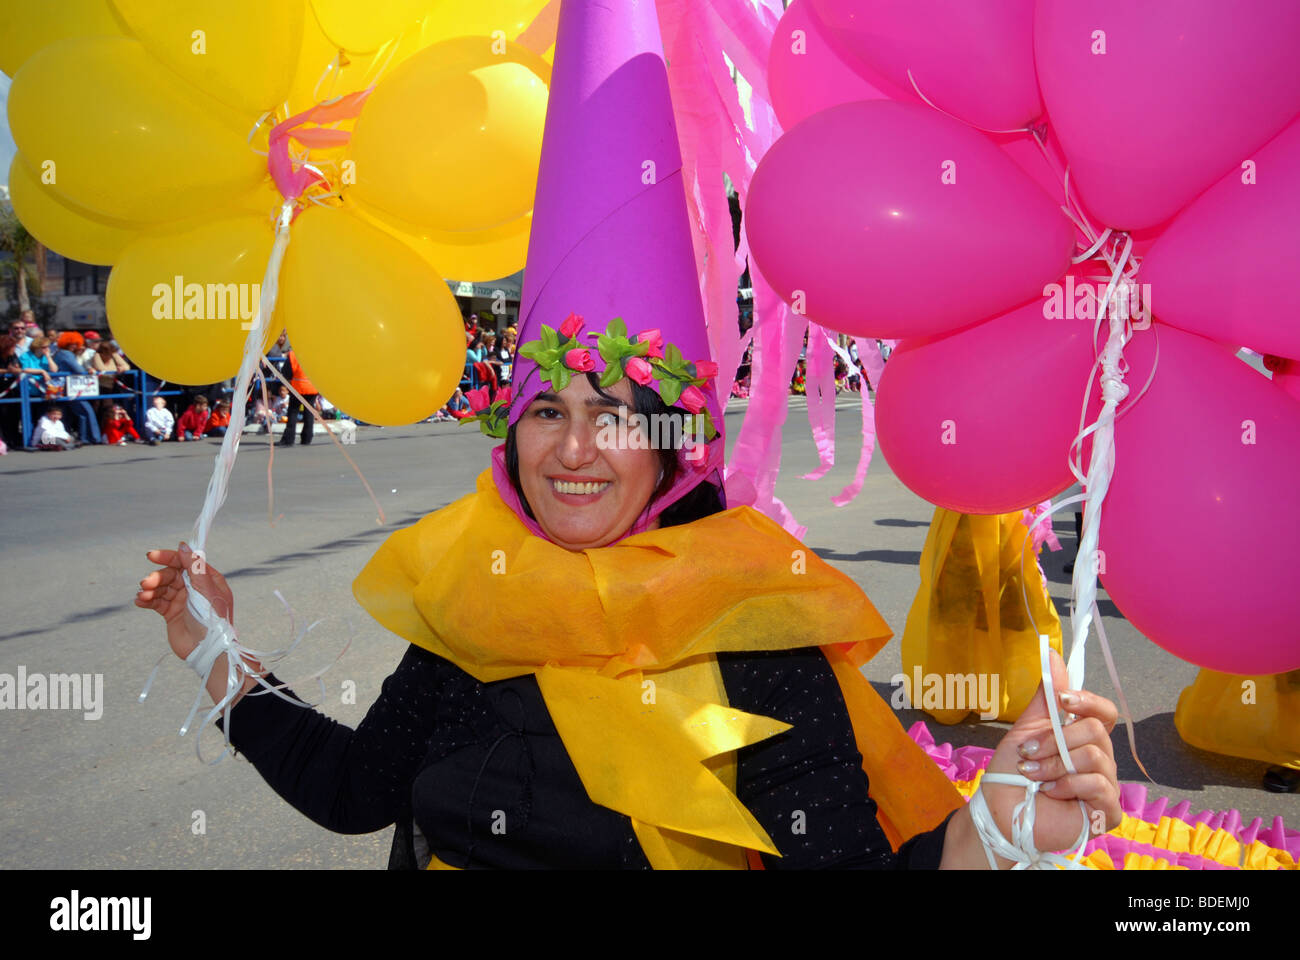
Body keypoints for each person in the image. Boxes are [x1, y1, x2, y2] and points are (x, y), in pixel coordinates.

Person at [136, 0, 1120, 871]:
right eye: (548, 413)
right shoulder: (477, 599)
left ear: (669, 446)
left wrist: (986, 839)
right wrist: (210, 650)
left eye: (613, 416)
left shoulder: (756, 633)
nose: (572, 450)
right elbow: (356, 788)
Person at [51, 332, 103, 445]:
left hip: (66, 387)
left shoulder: (60, 353)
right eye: (72, 343)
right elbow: (78, 370)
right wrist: (88, 370)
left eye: (76, 343)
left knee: (79, 414)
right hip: (69, 387)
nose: (75, 346)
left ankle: (84, 437)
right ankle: (94, 437)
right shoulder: (66, 354)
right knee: (86, 411)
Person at [279, 345, 319, 446]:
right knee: (309, 413)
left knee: (293, 412)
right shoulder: (315, 355)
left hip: (298, 388)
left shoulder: (293, 355)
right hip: (312, 387)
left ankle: (289, 439)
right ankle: (307, 438)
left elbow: (286, 372)